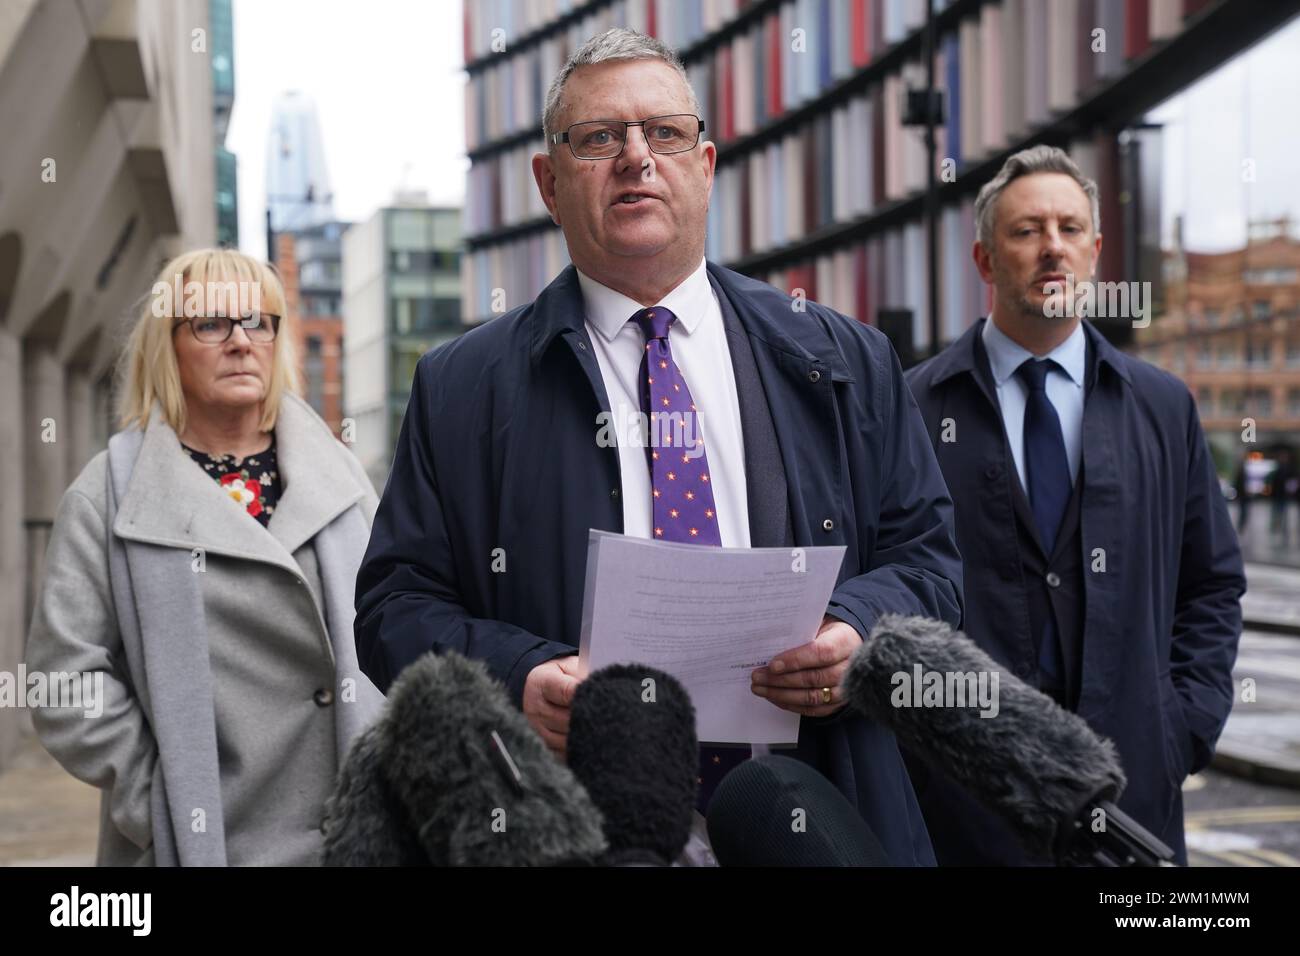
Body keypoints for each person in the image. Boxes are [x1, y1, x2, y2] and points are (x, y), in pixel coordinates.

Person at [354, 28, 962, 866]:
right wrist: (518, 678)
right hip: (568, 828)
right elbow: (394, 607)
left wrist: (855, 634)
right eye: (600, 138)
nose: (637, 158)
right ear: (548, 181)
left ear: (705, 165)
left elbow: (929, 560)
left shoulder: (843, 359)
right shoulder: (464, 387)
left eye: (665, 133)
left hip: (812, 816)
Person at [905, 146, 1245, 865]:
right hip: (967, 812)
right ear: (986, 260)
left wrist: (1182, 728)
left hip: (1133, 802)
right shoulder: (914, 407)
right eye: (1027, 230)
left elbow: (1210, 583)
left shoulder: (1162, 406)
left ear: (1095, 250)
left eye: (1069, 228)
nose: (1052, 246)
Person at [26, 248, 383, 865]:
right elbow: (63, 683)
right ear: (168, 346)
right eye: (212, 324)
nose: (241, 342)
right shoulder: (107, 494)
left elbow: (392, 626)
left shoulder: (341, 475)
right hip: (204, 844)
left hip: (348, 839)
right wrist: (164, 800)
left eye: (258, 321)